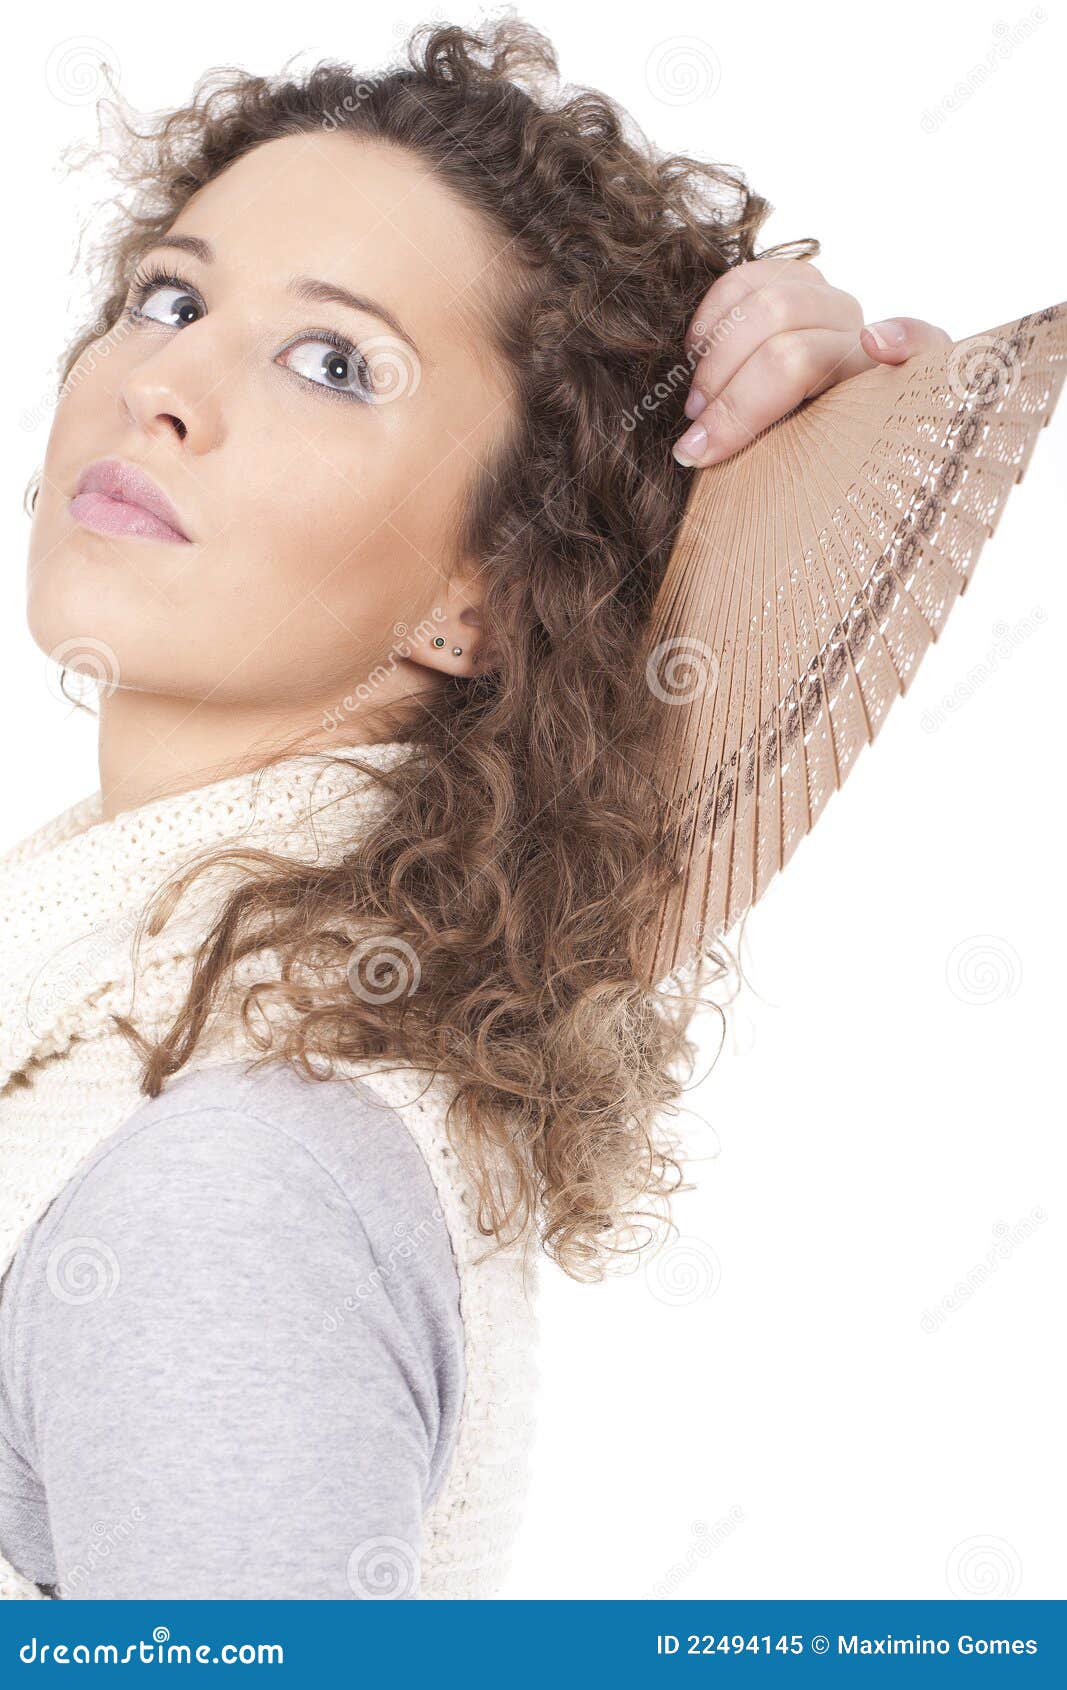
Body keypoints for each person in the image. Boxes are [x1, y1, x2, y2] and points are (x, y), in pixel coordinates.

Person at [0, 18, 947, 1600]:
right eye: (170, 295)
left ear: (482, 593)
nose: (161, 379)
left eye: (334, 361)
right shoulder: (107, 1012)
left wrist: (766, 486)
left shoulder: (223, 1186)